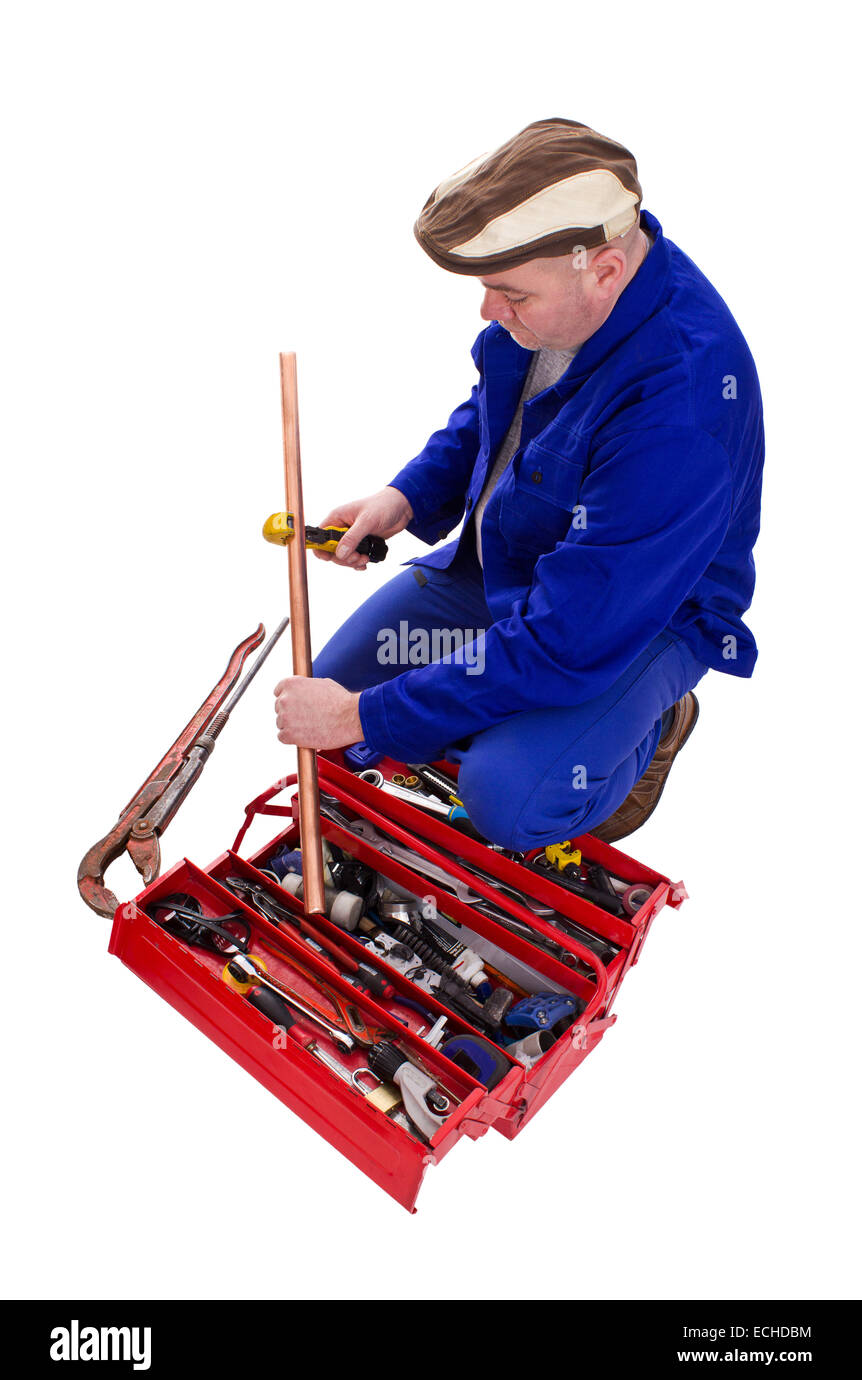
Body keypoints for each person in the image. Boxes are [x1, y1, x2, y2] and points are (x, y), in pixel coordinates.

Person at [273, 117, 764, 848]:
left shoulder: (681, 406)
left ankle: (653, 720)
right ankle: (503, 707)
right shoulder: (556, 295)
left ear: (603, 269)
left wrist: (364, 716)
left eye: (509, 295)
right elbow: (494, 412)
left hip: (637, 617)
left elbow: (569, 638)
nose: (488, 312)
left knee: (508, 800)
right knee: (335, 713)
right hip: (508, 561)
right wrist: (408, 496)